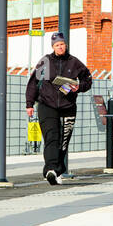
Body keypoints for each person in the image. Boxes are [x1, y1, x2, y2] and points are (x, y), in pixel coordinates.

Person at [26, 32, 92, 184]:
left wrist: (78, 87)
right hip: (47, 104)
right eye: (57, 45)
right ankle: (50, 170)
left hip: (67, 106)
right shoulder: (46, 62)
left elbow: (87, 80)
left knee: (63, 142)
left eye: (62, 44)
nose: (60, 47)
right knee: (51, 137)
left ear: (65, 45)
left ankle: (57, 170)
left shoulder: (73, 62)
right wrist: (29, 104)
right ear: (53, 47)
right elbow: (34, 83)